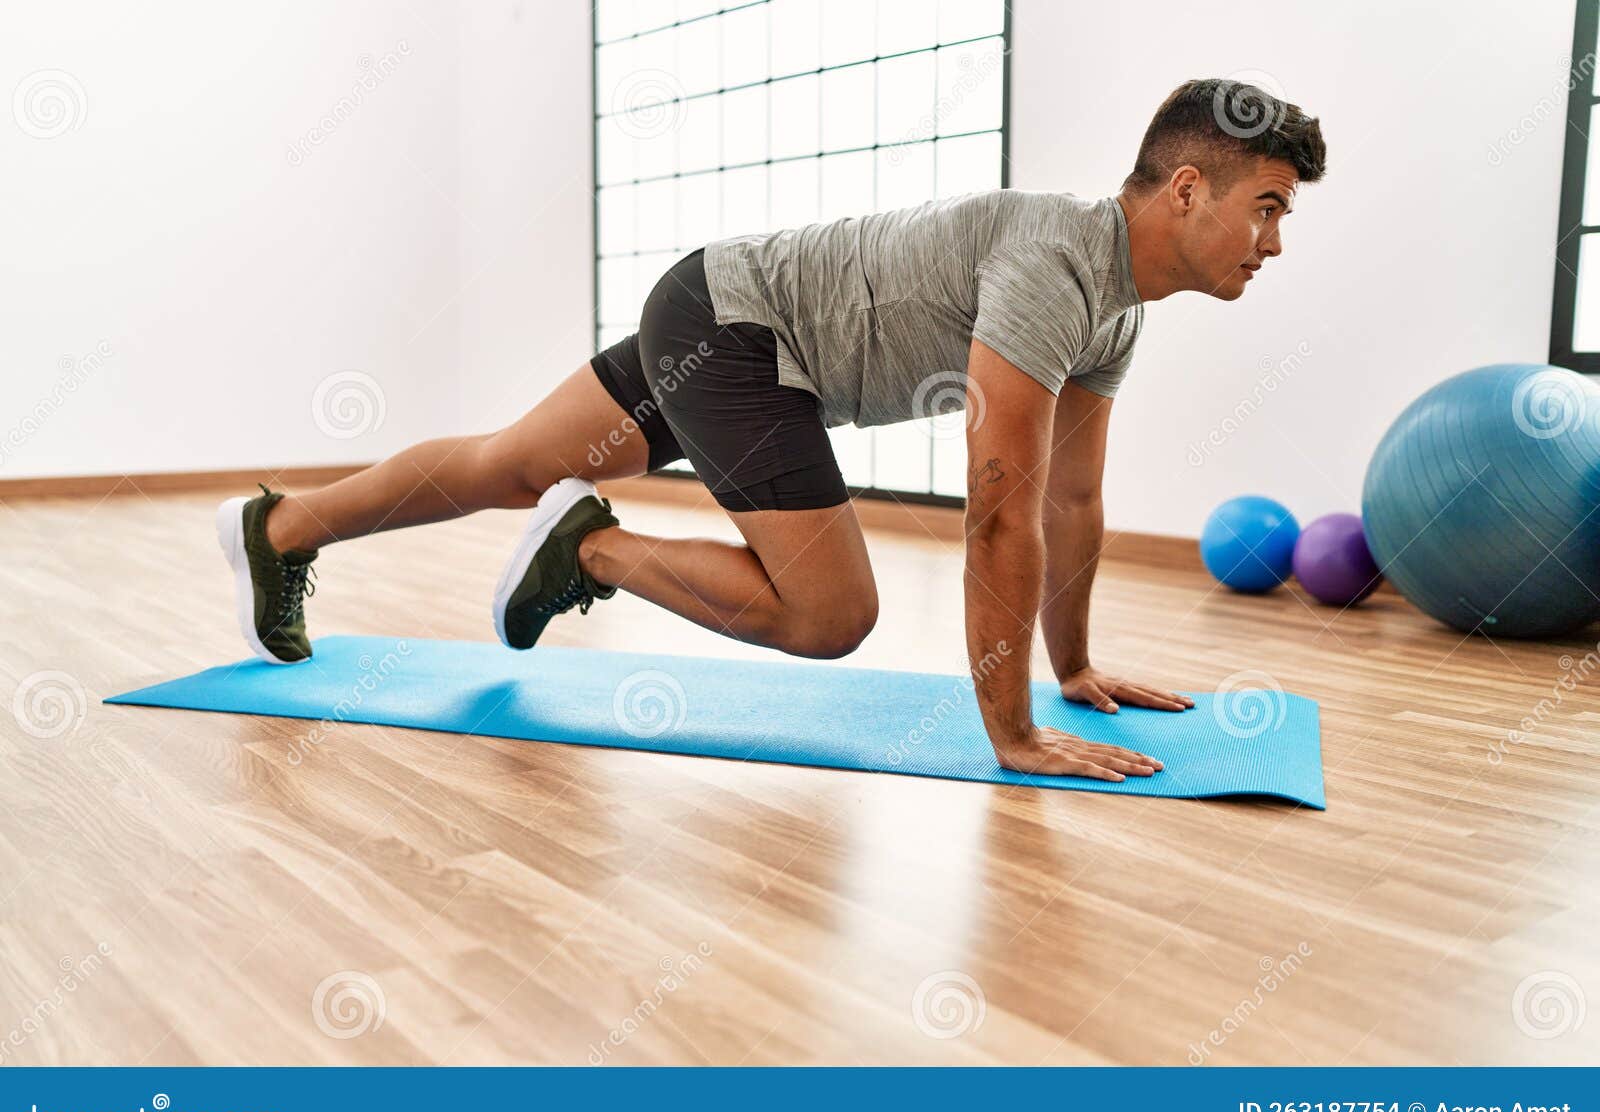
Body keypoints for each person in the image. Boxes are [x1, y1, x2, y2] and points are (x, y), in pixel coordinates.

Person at [216, 78, 1326, 781]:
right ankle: (588, 545)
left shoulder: (1113, 310)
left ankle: (278, 527)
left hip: (717, 307)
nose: (1272, 240)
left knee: (509, 462)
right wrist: (1012, 735)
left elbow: (1069, 500)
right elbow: (997, 507)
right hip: (741, 333)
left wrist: (1071, 668)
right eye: (1267, 205)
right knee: (833, 611)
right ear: (1187, 188)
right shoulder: (1054, 264)